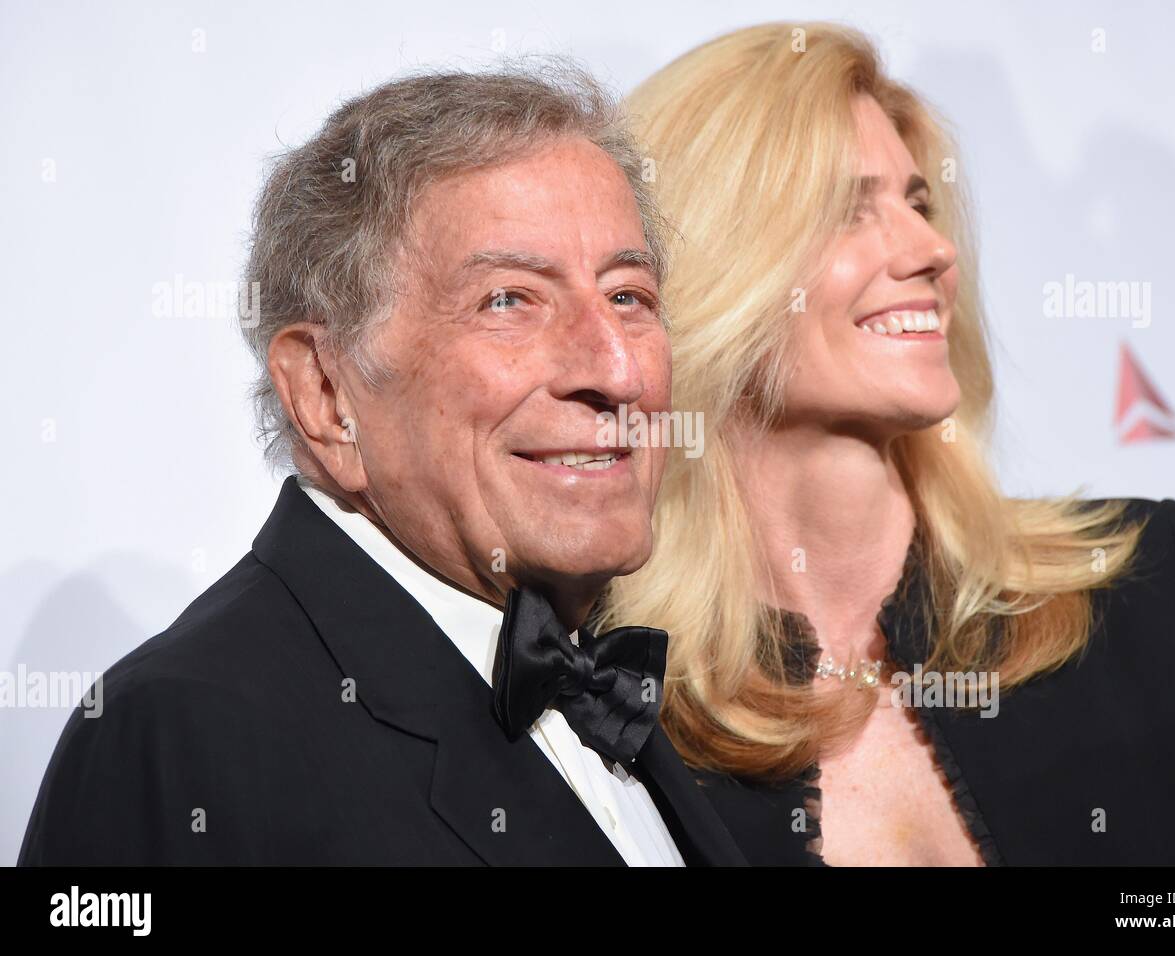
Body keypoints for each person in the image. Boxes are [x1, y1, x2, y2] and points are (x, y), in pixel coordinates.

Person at [597, 22, 1175, 865]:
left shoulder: (1144, 582)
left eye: (919, 202)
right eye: (847, 212)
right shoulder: (614, 701)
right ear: (713, 266)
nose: (932, 251)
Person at [18, 63, 745, 866]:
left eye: (627, 297)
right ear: (328, 396)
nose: (615, 370)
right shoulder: (181, 735)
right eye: (508, 300)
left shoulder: (633, 699)